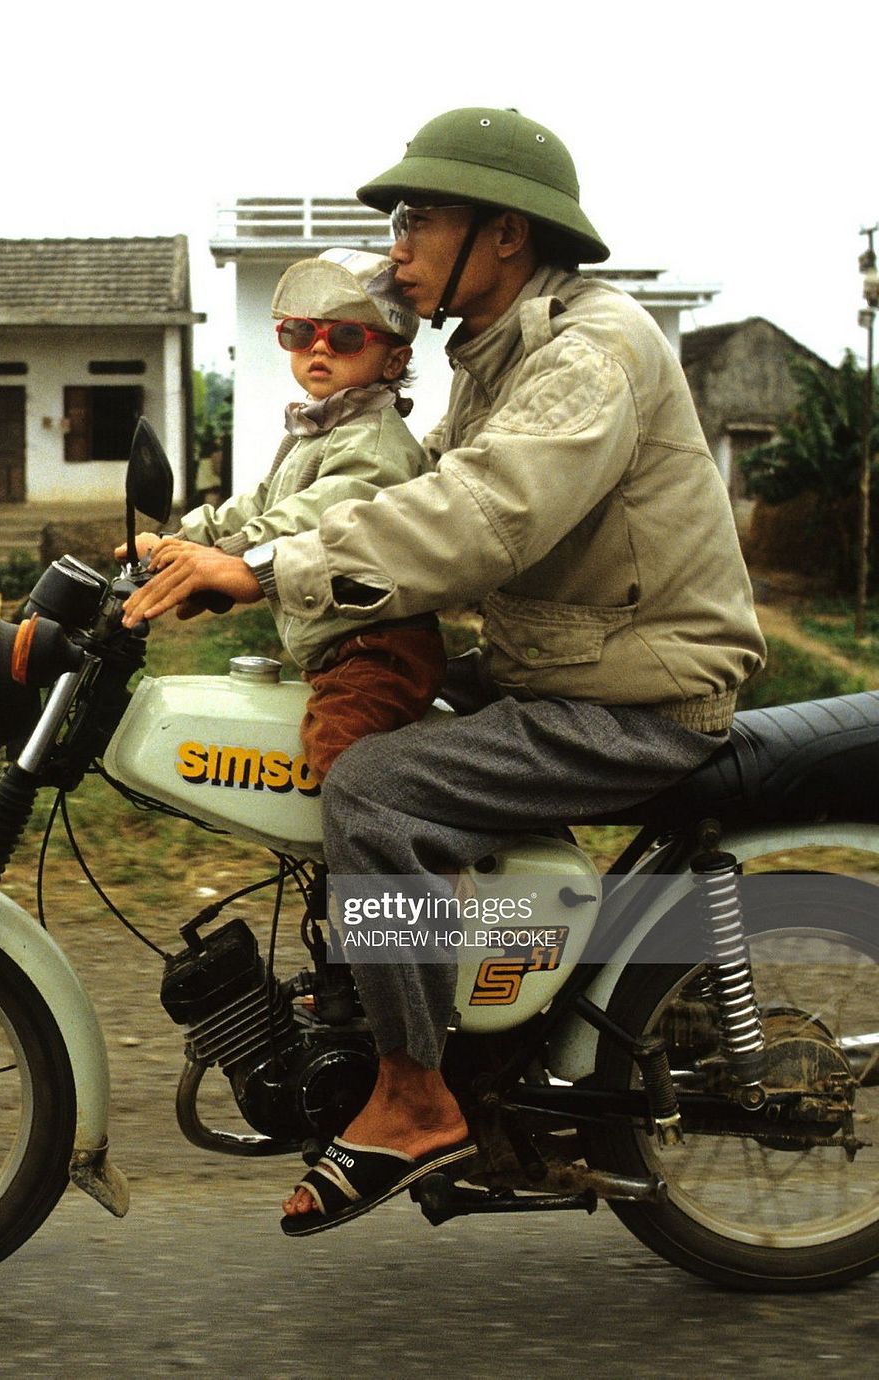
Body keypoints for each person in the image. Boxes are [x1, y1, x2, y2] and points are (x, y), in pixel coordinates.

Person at [122, 107, 767, 1236]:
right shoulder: (498, 356)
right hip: (558, 669)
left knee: (374, 791)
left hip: (638, 697)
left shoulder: (588, 355)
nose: (399, 248)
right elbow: (396, 500)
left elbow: (475, 517)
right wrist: (206, 548)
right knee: (316, 725)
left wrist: (266, 571)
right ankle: (423, 1003)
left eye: (420, 219)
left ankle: (414, 1094)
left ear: (504, 234)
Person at [127, 247, 446, 780]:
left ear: (393, 362)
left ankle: (388, 836)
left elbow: (313, 517)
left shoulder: (373, 442)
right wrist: (182, 538)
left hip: (378, 653)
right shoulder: (318, 430)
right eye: (301, 333)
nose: (318, 347)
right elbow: (262, 502)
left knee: (343, 769)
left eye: (346, 336)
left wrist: (225, 559)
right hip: (340, 650)